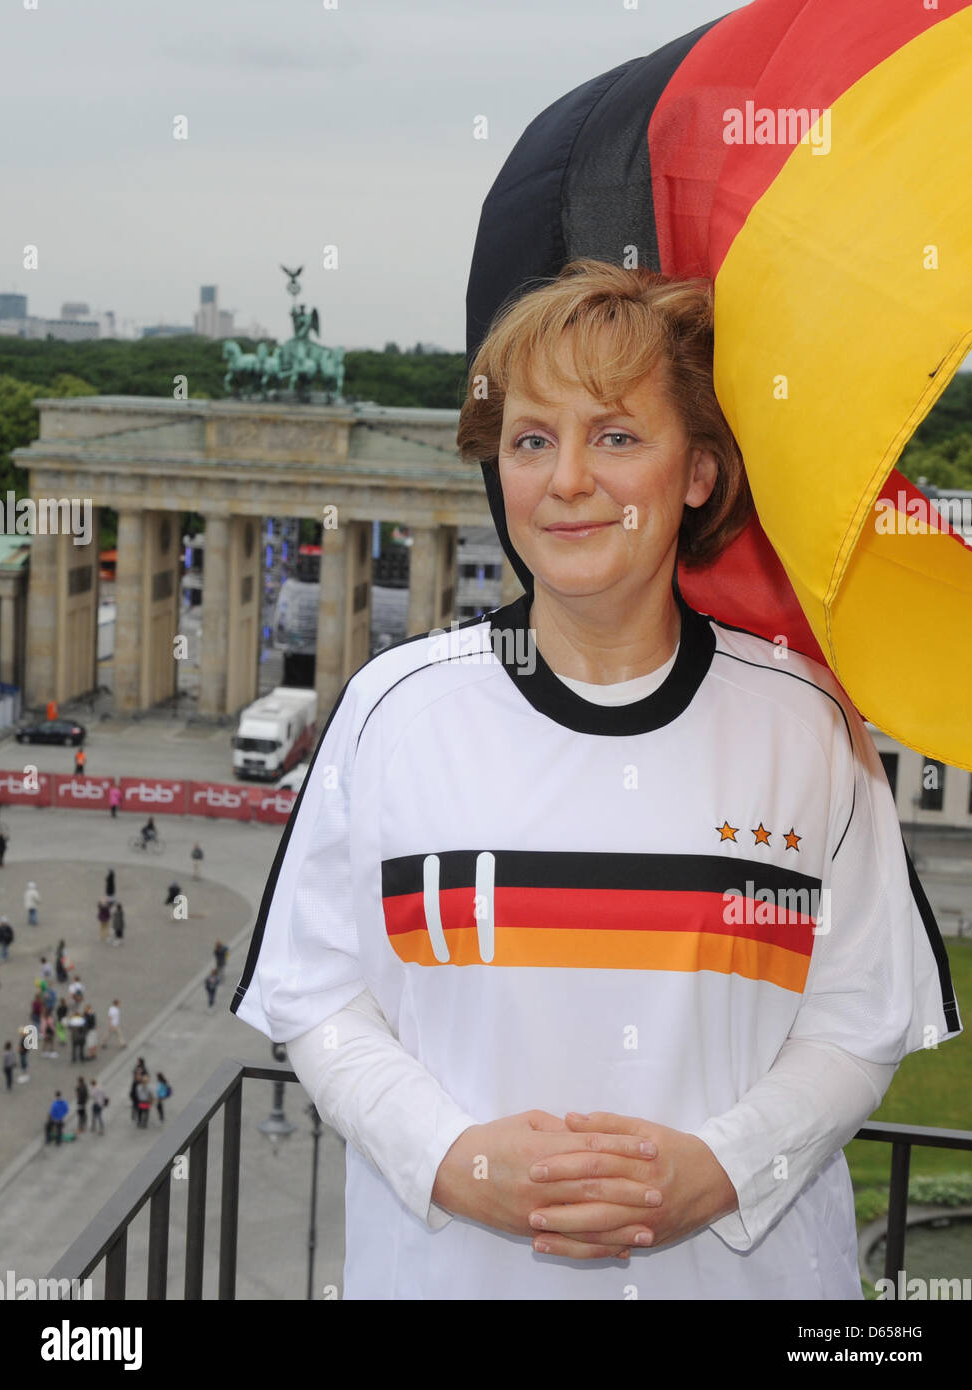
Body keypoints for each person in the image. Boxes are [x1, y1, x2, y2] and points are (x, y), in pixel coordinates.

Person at [231, 260, 962, 1301]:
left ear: (698, 471)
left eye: (615, 436)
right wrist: (452, 1159)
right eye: (531, 440)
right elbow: (316, 991)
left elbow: (861, 1015)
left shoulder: (808, 725)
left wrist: (723, 1169)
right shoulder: (389, 709)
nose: (567, 479)